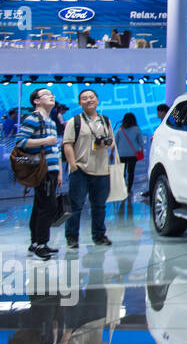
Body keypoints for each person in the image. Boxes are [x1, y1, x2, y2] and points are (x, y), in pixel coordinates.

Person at [61, 88, 114, 249]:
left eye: (91, 97)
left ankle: (99, 236)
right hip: (80, 170)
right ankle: (72, 237)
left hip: (101, 170)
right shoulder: (74, 122)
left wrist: (106, 143)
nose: (88, 100)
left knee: (99, 206)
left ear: (97, 100)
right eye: (84, 98)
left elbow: (111, 142)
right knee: (75, 206)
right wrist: (72, 165)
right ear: (80, 103)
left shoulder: (105, 121)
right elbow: (67, 144)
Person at [14, 88, 62, 260]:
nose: (51, 96)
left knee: (40, 205)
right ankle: (41, 243)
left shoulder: (50, 121)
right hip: (41, 169)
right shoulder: (33, 118)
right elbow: (20, 141)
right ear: (36, 101)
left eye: (52, 94)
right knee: (47, 206)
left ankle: (36, 242)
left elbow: (55, 149)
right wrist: (44, 141)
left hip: (50, 170)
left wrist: (59, 172)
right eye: (47, 95)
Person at [115, 113, 144, 195]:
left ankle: (123, 187)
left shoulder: (120, 130)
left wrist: (113, 154)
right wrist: (141, 150)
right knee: (131, 172)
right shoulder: (137, 129)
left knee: (122, 172)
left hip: (121, 154)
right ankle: (129, 188)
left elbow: (115, 142)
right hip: (133, 154)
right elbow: (141, 142)